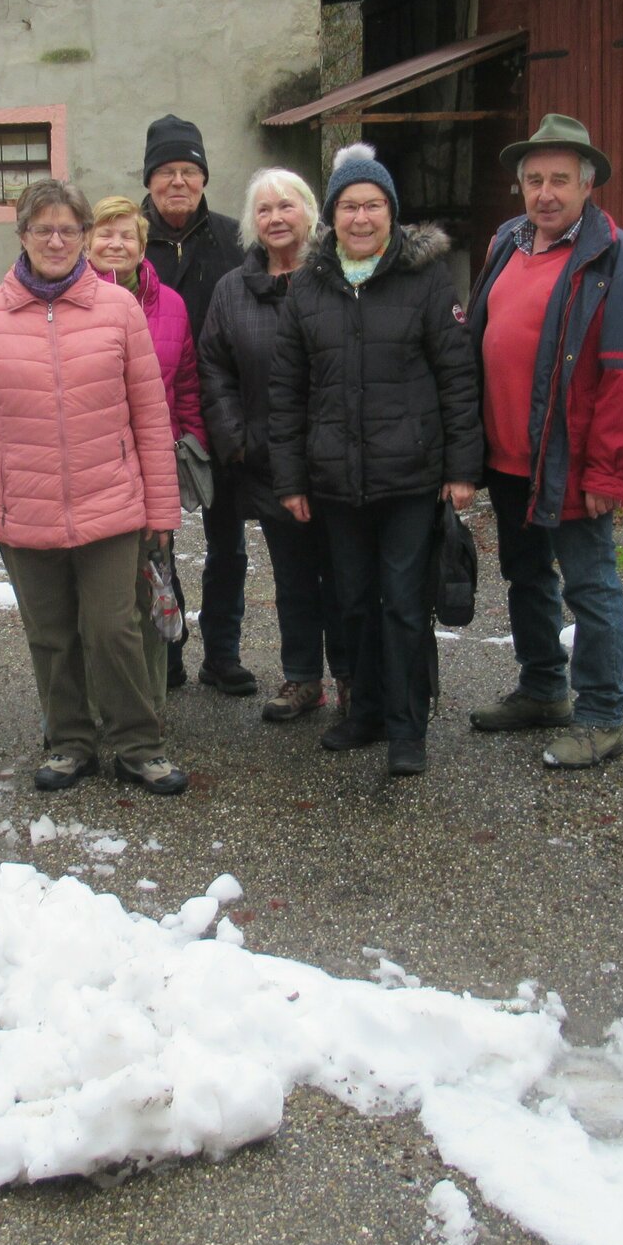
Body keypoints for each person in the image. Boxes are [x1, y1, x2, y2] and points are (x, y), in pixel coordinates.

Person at [0, 178, 186, 796]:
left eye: (68, 230)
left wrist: (161, 508)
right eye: (42, 229)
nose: (56, 240)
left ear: (84, 237)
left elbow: (150, 417)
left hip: (111, 504)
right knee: (51, 634)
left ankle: (138, 743)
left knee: (114, 628)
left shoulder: (119, 310)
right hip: (24, 510)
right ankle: (70, 741)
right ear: (22, 235)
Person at [267, 143, 479, 778]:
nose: (362, 218)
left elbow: (458, 378)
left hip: (410, 478)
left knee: (405, 604)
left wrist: (462, 469)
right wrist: (291, 478)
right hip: (336, 481)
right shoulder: (309, 285)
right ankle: (364, 713)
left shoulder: (426, 282)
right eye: (350, 206)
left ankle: (407, 726)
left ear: (392, 212)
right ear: (332, 216)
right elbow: (287, 391)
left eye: (374, 205)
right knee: (353, 601)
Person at [465, 115, 623, 770]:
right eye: (534, 180)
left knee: (590, 585)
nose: (545, 193)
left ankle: (602, 716)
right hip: (510, 457)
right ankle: (544, 687)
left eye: (559, 181)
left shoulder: (613, 258)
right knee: (525, 576)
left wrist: (611, 472)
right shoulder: (507, 242)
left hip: (571, 462)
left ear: (587, 184)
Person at [200, 167, 352, 724]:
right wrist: (237, 442)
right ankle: (302, 678)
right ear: (251, 223)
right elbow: (213, 367)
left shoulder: (336, 278)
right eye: (264, 210)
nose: (276, 218)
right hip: (268, 462)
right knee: (291, 577)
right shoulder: (231, 290)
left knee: (343, 576)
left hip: (338, 461)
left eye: (287, 206)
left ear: (311, 213)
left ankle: (351, 679)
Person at [137, 114, 251, 697]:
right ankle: (171, 646)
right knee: (158, 542)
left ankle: (223, 654)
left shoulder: (235, 240)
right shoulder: (128, 241)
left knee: (227, 541)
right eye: (166, 172)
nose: (177, 181)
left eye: (189, 170)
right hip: (152, 417)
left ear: (203, 178)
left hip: (221, 415)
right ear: (150, 180)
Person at [87, 194, 203, 706]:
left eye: (126, 235)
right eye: (104, 233)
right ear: (88, 242)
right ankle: (105, 684)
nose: (115, 243)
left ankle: (164, 670)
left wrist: (193, 441)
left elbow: (187, 385)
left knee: (158, 569)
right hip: (96, 464)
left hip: (155, 458)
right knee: (104, 585)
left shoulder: (171, 305)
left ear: (142, 245)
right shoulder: (70, 303)